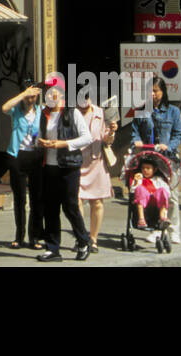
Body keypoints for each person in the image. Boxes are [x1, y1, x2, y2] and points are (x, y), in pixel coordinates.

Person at [36, 74, 93, 262]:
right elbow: (40, 136)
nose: (47, 94)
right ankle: (53, 248)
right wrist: (41, 143)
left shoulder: (71, 112)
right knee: (50, 208)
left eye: (51, 91)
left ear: (60, 93)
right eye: (46, 91)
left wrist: (62, 144)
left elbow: (87, 138)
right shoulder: (44, 113)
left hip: (68, 166)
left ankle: (84, 241)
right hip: (49, 166)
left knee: (70, 206)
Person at [129, 77, 181, 244]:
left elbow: (178, 134)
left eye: (156, 91)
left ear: (163, 92)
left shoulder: (173, 111)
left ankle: (173, 229)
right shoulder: (141, 111)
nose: (152, 94)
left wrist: (169, 146)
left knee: (170, 196)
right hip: (148, 161)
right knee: (149, 195)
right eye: (149, 91)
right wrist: (136, 141)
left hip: (168, 160)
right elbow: (135, 131)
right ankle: (155, 229)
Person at [1, 80, 43, 250]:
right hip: (17, 155)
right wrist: (22, 94)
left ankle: (35, 237)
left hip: (36, 155)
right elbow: (4, 108)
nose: (30, 100)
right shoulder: (16, 110)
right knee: (19, 199)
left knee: (36, 199)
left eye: (33, 97)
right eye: (28, 96)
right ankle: (19, 237)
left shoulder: (41, 111)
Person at [77, 91, 116, 252]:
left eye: (87, 98)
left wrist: (112, 131)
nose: (84, 102)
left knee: (97, 202)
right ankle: (81, 237)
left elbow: (107, 140)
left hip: (96, 162)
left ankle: (93, 239)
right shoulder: (71, 113)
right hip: (77, 163)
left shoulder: (100, 112)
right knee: (77, 201)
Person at [130, 157, 171, 233]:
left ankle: (162, 216)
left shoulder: (158, 179)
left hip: (156, 202)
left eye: (148, 168)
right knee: (140, 189)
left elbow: (167, 192)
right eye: (143, 168)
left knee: (162, 190)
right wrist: (136, 182)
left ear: (154, 170)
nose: (145, 170)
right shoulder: (139, 179)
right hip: (143, 201)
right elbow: (132, 191)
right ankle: (141, 218)